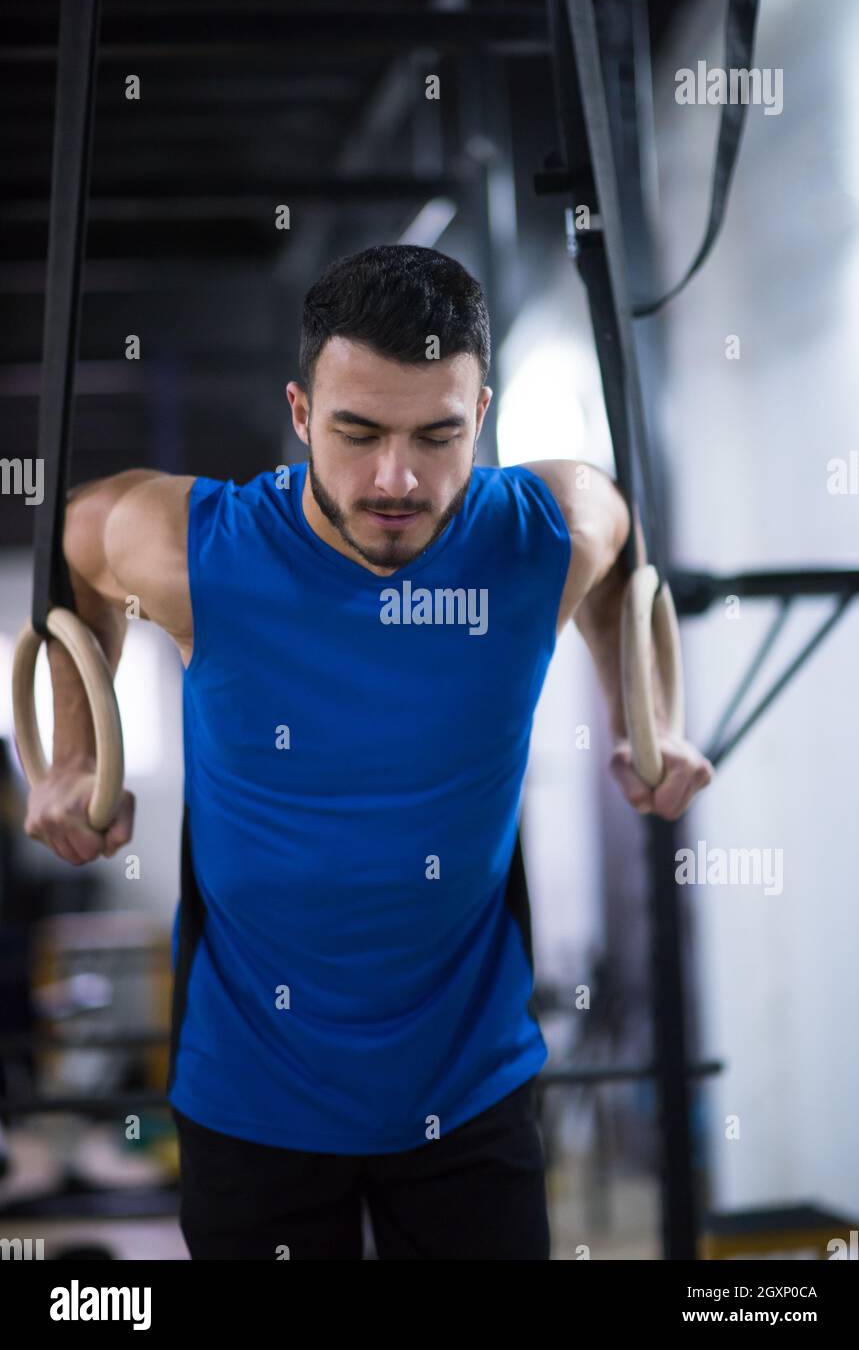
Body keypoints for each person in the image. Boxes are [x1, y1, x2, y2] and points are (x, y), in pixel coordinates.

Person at [23, 244, 713, 1259]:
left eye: (437, 435)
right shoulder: (203, 553)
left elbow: (618, 559)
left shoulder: (541, 536)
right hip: (253, 1095)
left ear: (481, 417)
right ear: (302, 415)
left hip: (468, 1090)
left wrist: (638, 722)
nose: (396, 478)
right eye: (358, 433)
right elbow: (76, 542)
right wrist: (75, 757)